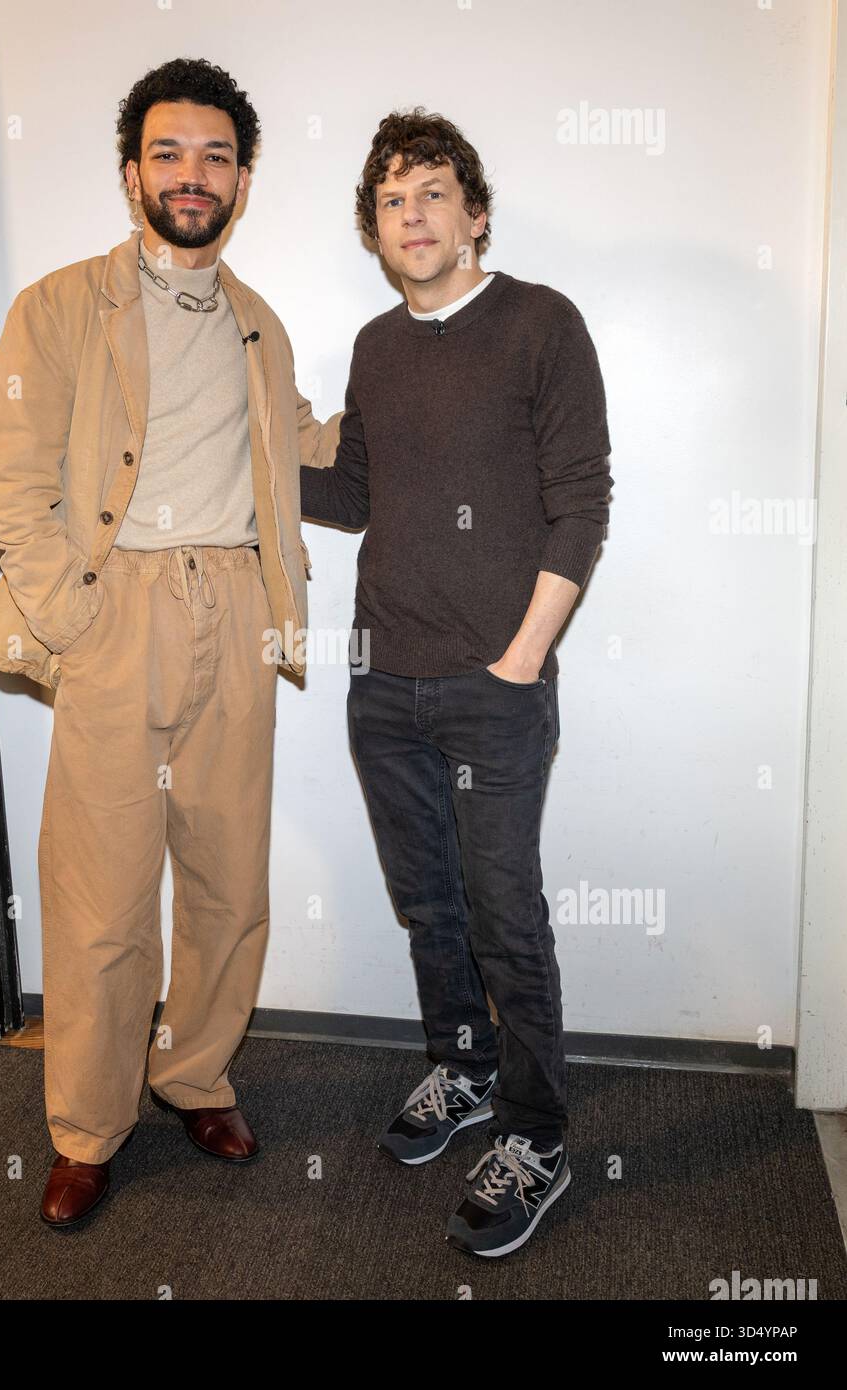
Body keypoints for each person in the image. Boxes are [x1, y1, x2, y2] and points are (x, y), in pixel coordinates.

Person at [0, 57, 340, 1227]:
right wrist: (76, 621)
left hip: (235, 613)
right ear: (132, 171)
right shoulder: (58, 304)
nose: (195, 175)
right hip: (114, 615)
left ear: (244, 179)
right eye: (171, 153)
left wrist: (441, 389)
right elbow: (11, 480)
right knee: (101, 894)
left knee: (229, 884)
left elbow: (304, 447)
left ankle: (193, 1074)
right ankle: (86, 1126)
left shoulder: (258, 326)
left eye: (218, 156)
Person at [301, 108, 613, 1257]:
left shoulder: (540, 323)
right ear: (374, 232)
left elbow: (582, 498)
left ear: (473, 214)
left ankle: (537, 1131)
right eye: (390, 200)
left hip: (494, 684)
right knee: (427, 900)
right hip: (382, 679)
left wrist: (521, 656)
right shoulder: (377, 347)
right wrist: (262, 446)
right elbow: (356, 493)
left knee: (503, 912)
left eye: (431, 192)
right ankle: (462, 1069)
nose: (412, 214)